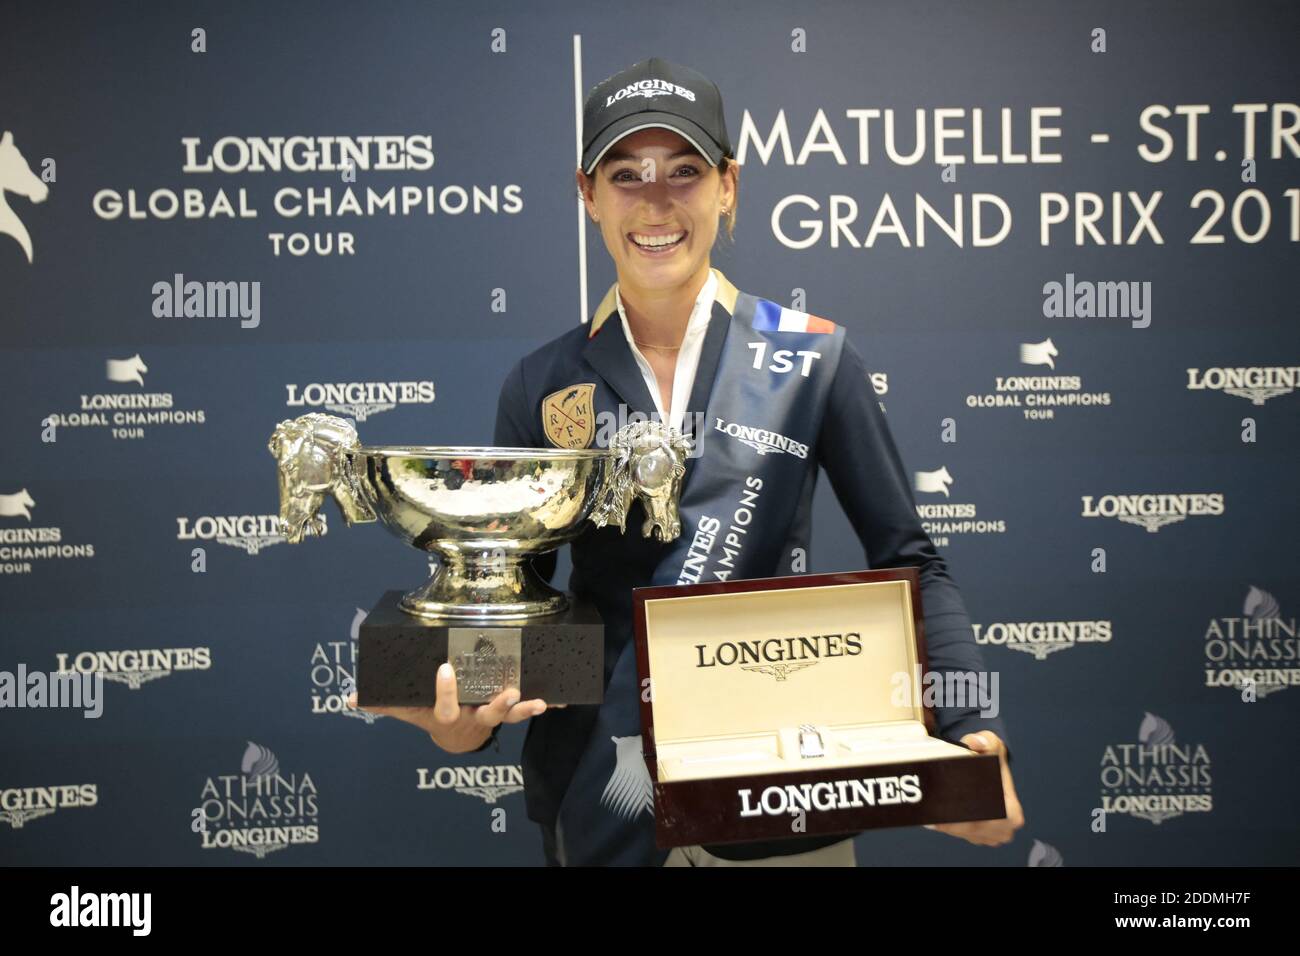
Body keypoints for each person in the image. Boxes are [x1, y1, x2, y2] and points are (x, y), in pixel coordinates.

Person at [351, 56, 1023, 867]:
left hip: (782, 797)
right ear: (587, 195)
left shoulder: (810, 358)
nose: (656, 201)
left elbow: (912, 560)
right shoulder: (543, 382)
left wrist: (970, 729)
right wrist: (466, 720)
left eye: (685, 171)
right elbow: (520, 601)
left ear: (727, 186)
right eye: (626, 174)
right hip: (605, 794)